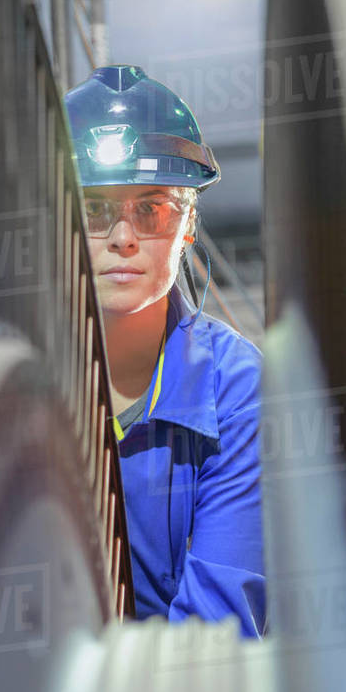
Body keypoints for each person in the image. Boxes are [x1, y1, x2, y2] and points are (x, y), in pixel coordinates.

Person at [65, 65, 265, 637]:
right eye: (95, 208)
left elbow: (213, 639)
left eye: (150, 209)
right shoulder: (21, 381)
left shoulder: (237, 392)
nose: (122, 237)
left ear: (189, 224)